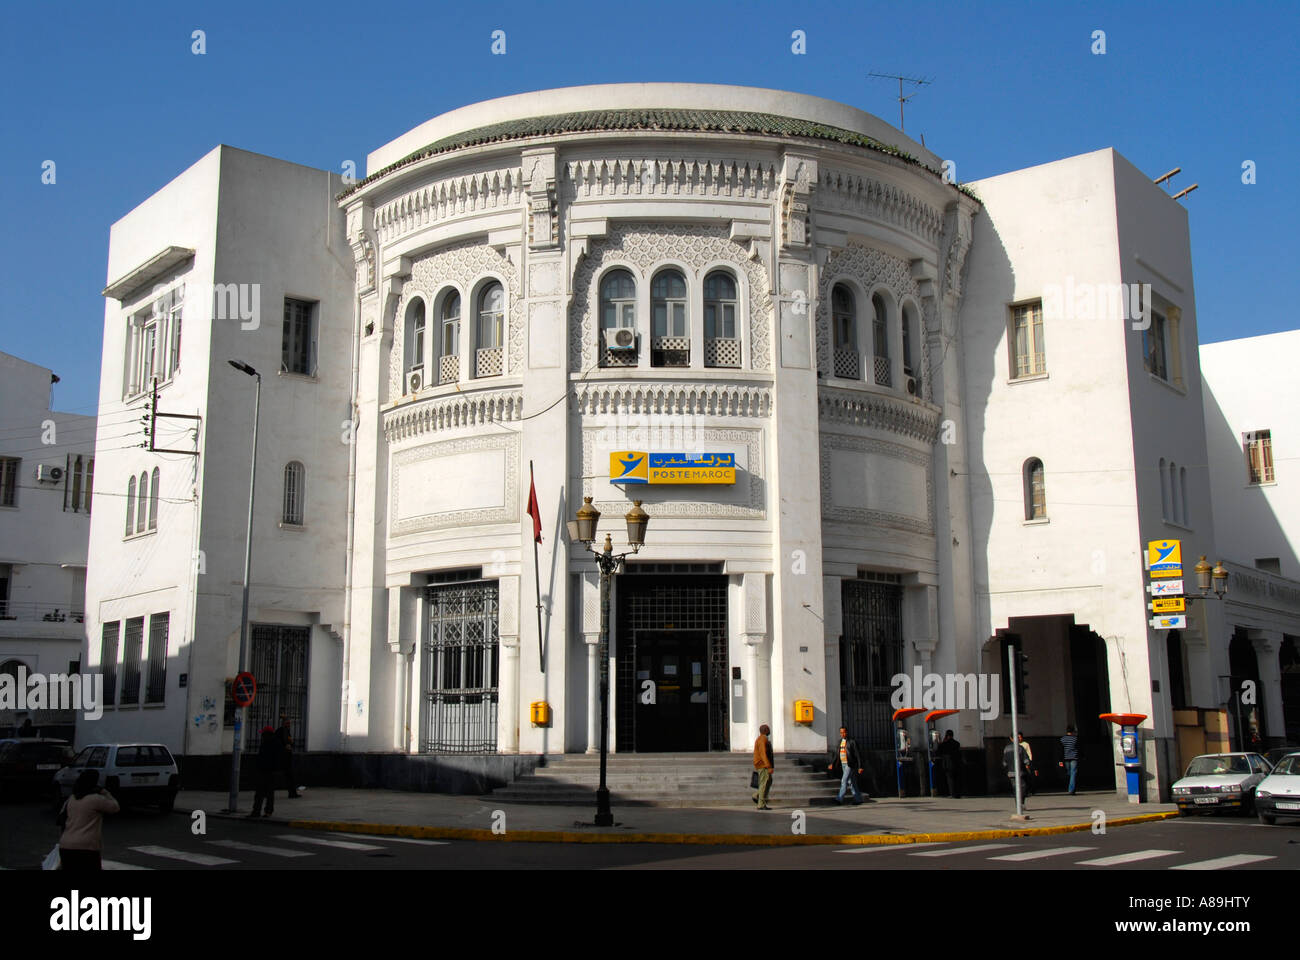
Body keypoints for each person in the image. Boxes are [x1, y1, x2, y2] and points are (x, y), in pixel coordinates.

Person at [57, 770, 119, 871]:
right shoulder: (96, 799)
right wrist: (104, 792)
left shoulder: (71, 799)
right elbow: (115, 807)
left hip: (66, 845)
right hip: (87, 847)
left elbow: (61, 821)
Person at [827, 726, 865, 805]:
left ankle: (839, 799)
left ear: (847, 732)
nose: (842, 734)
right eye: (841, 732)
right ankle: (858, 799)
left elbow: (858, 755)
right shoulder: (840, 742)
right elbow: (837, 754)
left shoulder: (852, 742)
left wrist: (860, 766)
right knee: (852, 782)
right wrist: (832, 764)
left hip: (850, 764)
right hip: (843, 764)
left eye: (844, 732)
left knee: (844, 780)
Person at [249, 725, 280, 817]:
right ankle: (268, 811)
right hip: (271, 771)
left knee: (260, 793)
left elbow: (262, 757)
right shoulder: (275, 743)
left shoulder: (266, 743)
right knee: (269, 793)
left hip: (264, 771)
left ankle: (257, 811)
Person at [1002, 735, 1030, 808]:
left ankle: (1018, 804)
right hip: (1021, 772)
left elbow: (1004, 762)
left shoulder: (1006, 749)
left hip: (1011, 772)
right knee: (1023, 787)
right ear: (1011, 738)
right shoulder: (1020, 748)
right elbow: (1026, 760)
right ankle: (1021, 802)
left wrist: (1007, 769)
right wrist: (1028, 765)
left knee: (1015, 788)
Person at [752, 723, 774, 810]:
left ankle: (757, 795)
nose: (769, 730)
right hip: (763, 765)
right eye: (768, 729)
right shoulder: (762, 739)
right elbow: (763, 754)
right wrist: (768, 766)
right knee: (764, 783)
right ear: (765, 730)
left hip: (762, 764)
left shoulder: (762, 739)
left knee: (768, 781)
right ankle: (761, 804)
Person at [277, 714, 300, 798]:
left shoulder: (287, 731)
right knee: (287, 776)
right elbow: (279, 743)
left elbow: (290, 741)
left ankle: (292, 792)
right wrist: (285, 746)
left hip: (287, 757)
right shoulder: (280, 731)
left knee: (290, 776)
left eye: (289, 723)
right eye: (287, 723)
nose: (289, 724)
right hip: (282, 757)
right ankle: (292, 792)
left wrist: (291, 744)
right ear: (283, 723)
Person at [936, 729, 962, 798]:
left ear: (947, 735)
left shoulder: (944, 744)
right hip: (956, 763)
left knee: (950, 779)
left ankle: (952, 793)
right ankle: (958, 793)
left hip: (948, 764)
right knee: (957, 779)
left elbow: (939, 751)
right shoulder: (957, 743)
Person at [1059, 725, 1080, 795]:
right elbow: (1078, 748)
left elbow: (1061, 750)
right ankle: (1071, 789)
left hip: (1066, 758)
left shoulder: (1062, 739)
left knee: (1069, 773)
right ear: (1073, 731)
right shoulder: (1075, 739)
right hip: (1074, 757)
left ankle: (1071, 788)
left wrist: (1060, 760)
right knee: (1073, 773)